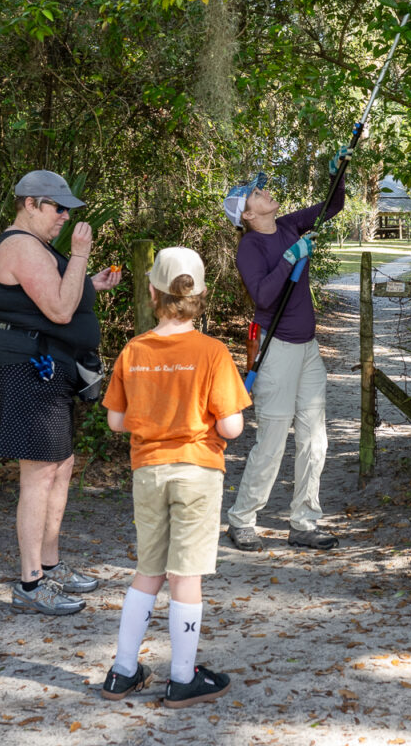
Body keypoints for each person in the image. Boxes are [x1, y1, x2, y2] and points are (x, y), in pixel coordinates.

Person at [99, 247, 250, 708]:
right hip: (197, 473)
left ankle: (123, 671)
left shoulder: (134, 349)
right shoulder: (212, 351)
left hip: (149, 471)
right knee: (186, 576)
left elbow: (115, 421)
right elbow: (231, 428)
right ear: (200, 296)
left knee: (148, 570)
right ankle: (182, 677)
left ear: (153, 293)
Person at [0, 170, 123, 616]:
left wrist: (90, 281)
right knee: (39, 473)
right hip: (27, 366)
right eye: (57, 207)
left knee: (60, 466)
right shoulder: (20, 245)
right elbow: (60, 310)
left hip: (49, 366)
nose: (65, 216)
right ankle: (29, 582)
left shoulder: (39, 247)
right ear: (30, 204)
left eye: (67, 209)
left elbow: (59, 294)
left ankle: (50, 564)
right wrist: (80, 254)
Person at [221, 148, 349, 552]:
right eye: (257, 194)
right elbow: (263, 294)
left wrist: (338, 175)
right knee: (273, 441)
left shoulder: (289, 226)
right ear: (246, 214)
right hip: (277, 350)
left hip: (308, 348)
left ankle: (304, 521)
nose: (265, 193)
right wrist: (289, 260)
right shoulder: (250, 248)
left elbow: (333, 206)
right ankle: (242, 520)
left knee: (315, 439)